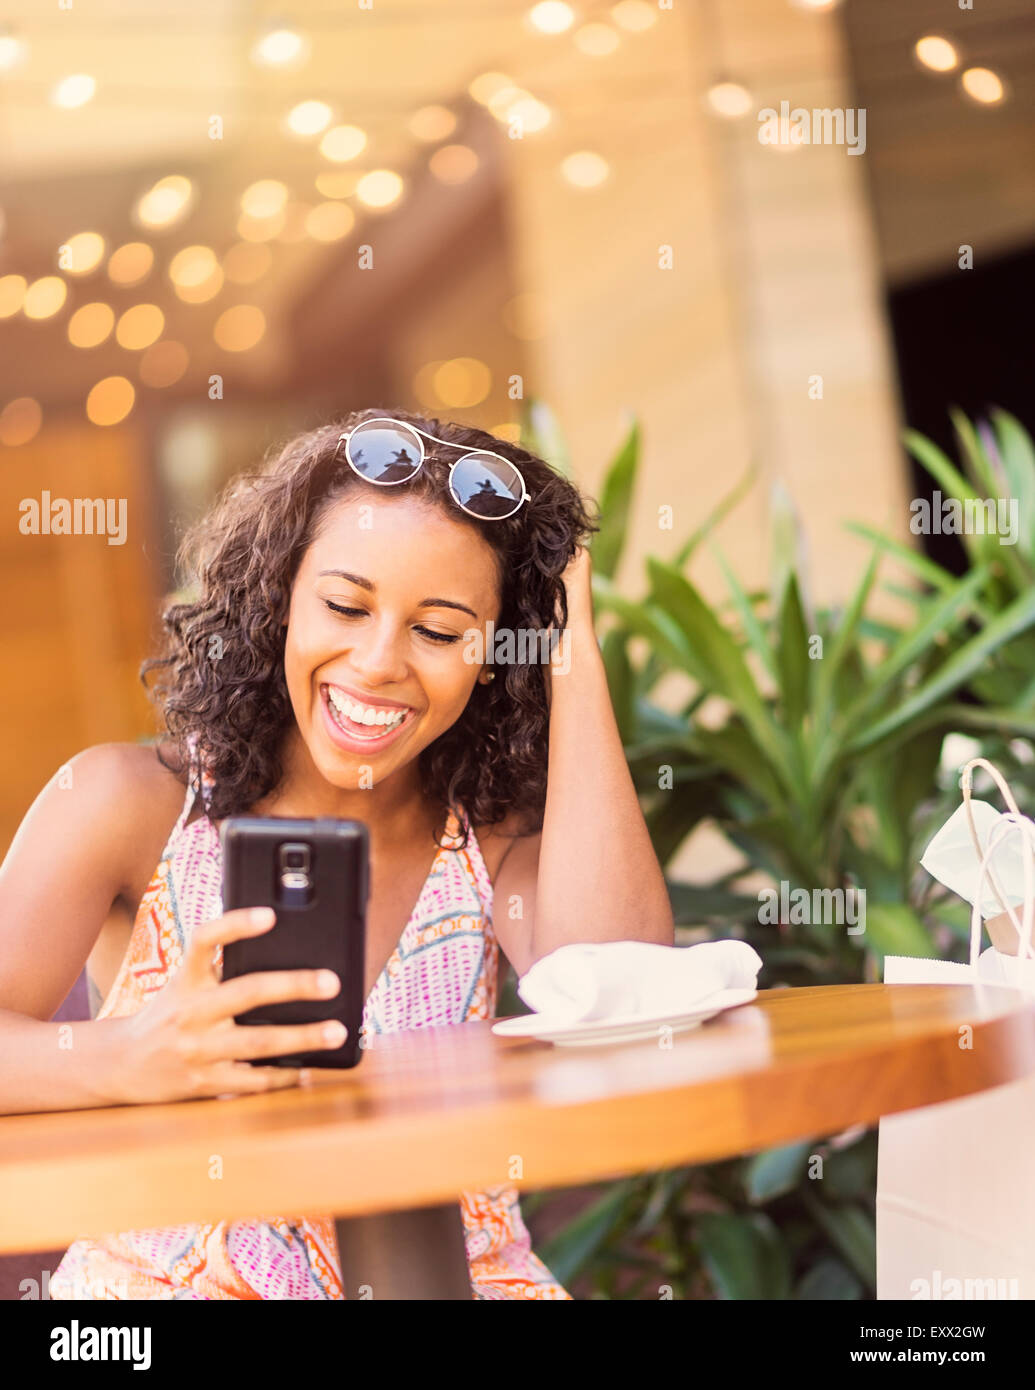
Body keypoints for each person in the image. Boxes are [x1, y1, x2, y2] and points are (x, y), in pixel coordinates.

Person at [0, 406, 675, 1299]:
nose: (377, 662)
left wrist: (572, 654)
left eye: (439, 631)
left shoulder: (489, 839)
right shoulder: (127, 805)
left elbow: (618, 993)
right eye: (345, 606)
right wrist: (131, 1054)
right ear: (281, 596)